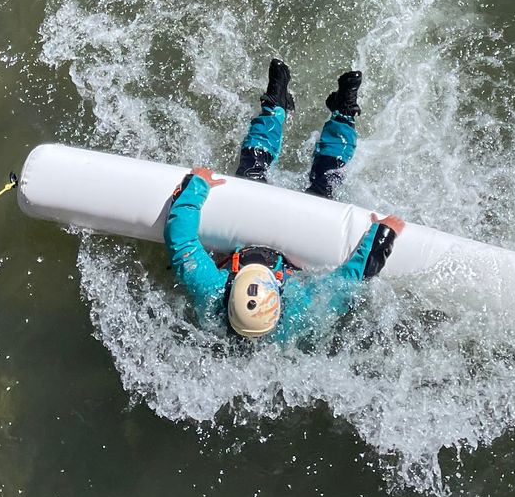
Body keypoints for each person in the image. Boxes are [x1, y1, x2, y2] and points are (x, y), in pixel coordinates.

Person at [164, 64, 406, 343]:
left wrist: (196, 187)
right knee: (325, 184)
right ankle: (344, 114)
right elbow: (349, 281)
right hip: (294, 256)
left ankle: (275, 106)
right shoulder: (299, 312)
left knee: (251, 171)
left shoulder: (211, 291)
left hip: (241, 239)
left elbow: (181, 240)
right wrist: (383, 235)